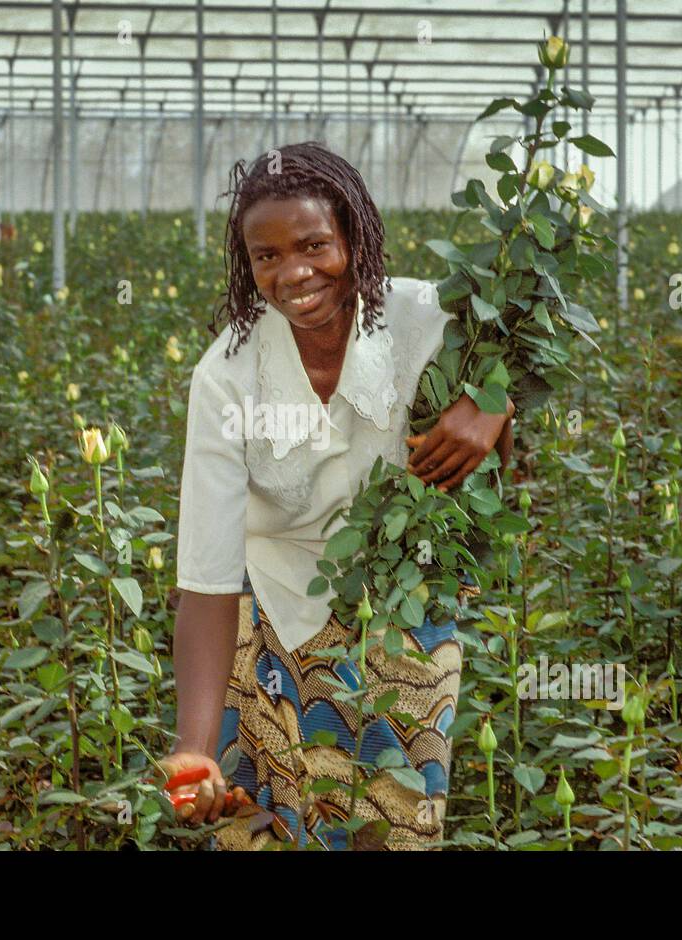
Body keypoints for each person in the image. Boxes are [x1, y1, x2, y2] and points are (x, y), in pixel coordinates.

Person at [161, 141, 515, 850]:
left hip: (407, 602)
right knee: (261, 825)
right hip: (273, 606)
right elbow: (206, 578)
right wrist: (192, 747)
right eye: (266, 256)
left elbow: (516, 381)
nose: (293, 273)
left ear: (355, 237)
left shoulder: (429, 322)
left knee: (397, 824)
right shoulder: (228, 377)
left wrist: (492, 403)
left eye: (315, 244)